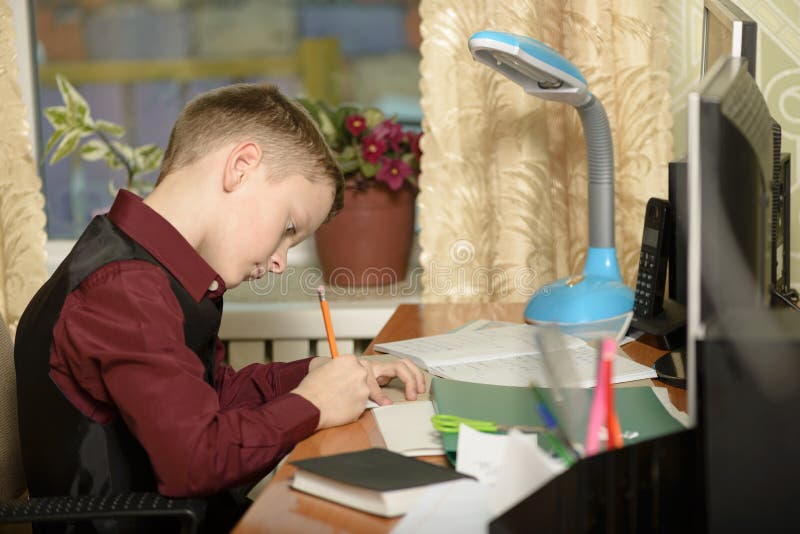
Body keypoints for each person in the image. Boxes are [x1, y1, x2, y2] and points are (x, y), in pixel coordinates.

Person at [14, 83, 425, 533]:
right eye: (289, 227)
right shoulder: (123, 290)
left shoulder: (148, 268)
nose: (279, 262)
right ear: (241, 167)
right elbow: (194, 460)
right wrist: (314, 404)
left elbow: (206, 397)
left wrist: (312, 374)